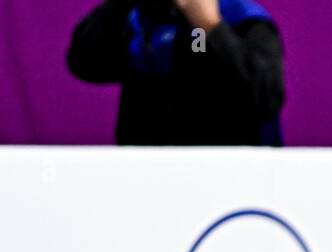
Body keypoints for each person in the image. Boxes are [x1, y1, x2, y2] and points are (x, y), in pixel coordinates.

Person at [66, 0, 285, 146]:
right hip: (145, 177)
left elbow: (266, 96)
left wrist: (211, 27)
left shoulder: (240, 17)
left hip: (223, 177)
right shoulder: (141, 18)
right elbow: (84, 62)